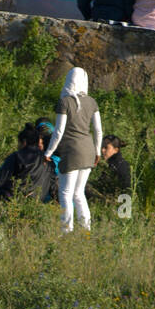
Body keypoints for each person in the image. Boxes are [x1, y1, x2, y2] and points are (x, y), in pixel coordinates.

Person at [44, 67, 102, 234]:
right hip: (89, 150)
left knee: (66, 194)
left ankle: (66, 230)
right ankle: (86, 231)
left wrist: (48, 153)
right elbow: (98, 130)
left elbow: (59, 131)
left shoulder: (65, 102)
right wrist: (97, 152)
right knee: (79, 193)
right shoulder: (92, 102)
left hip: (71, 151)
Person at [0, 122, 56, 203]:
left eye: (18, 143)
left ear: (24, 142)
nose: (18, 146)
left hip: (11, 202)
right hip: (35, 206)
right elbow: (55, 188)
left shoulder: (18, 156)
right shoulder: (49, 163)